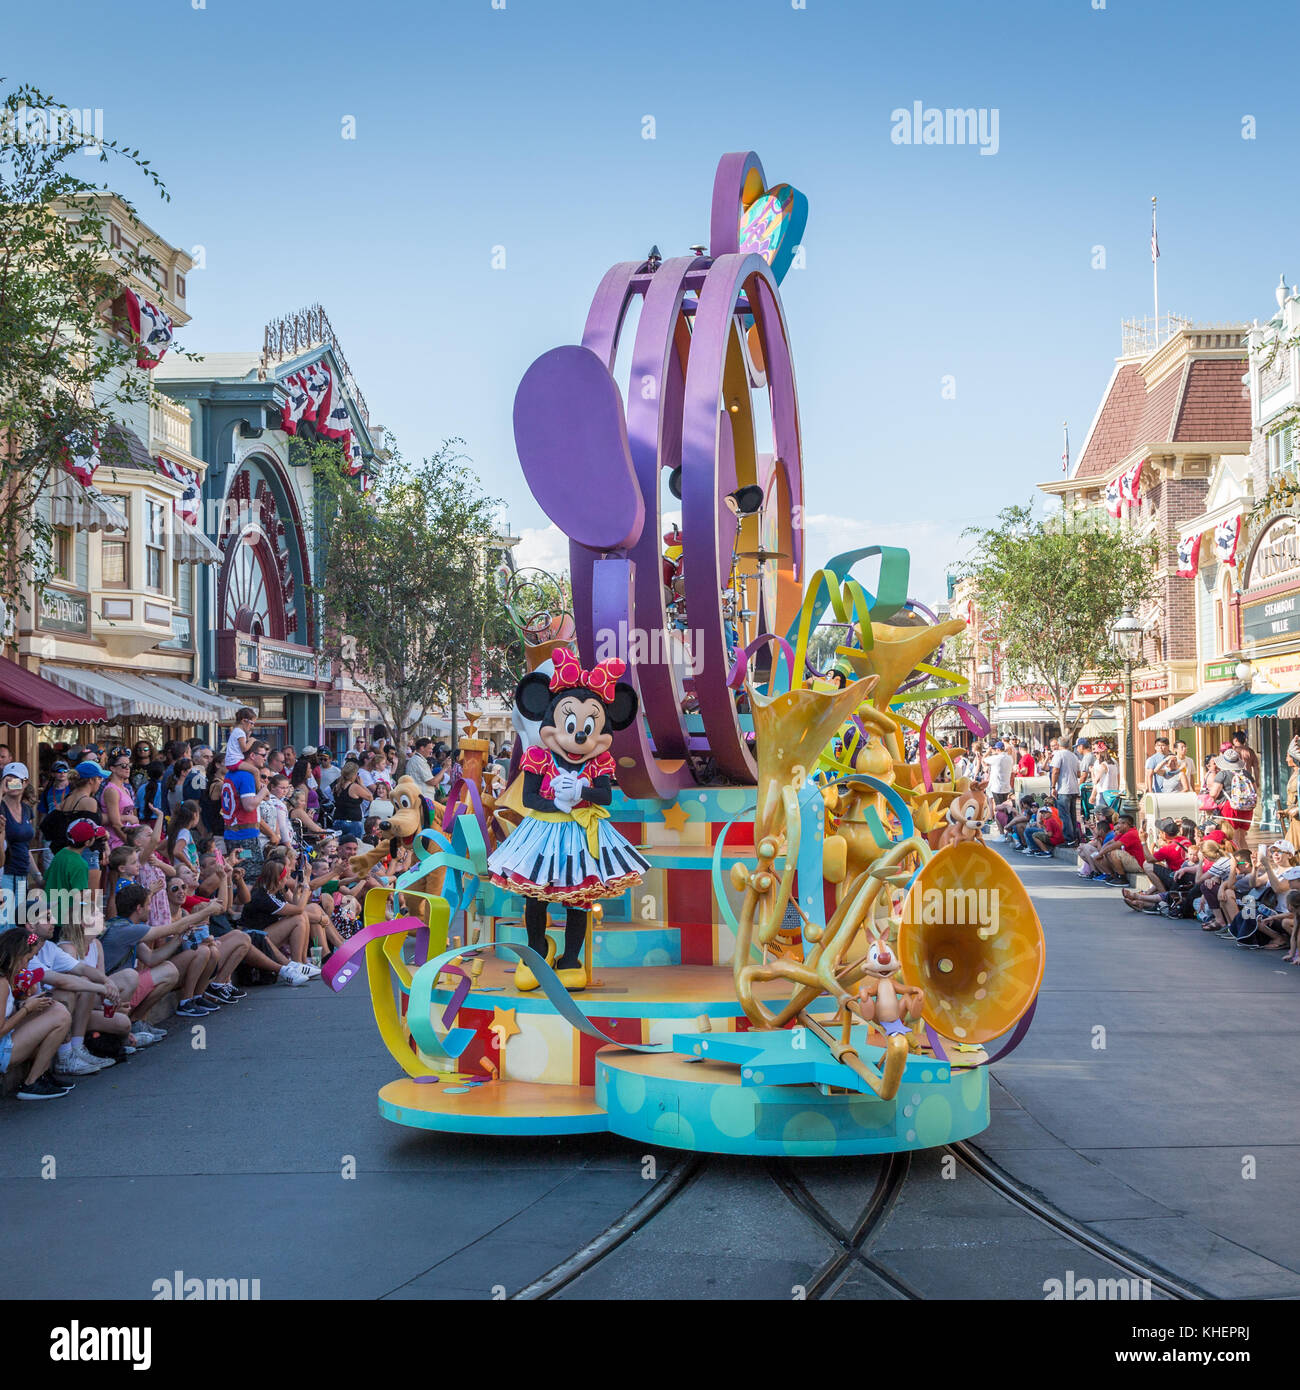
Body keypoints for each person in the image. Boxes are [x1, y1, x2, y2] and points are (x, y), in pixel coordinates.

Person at [0, 927, 74, 1099]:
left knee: (53, 1007)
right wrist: (27, 1009)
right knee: (60, 1016)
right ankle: (32, 1083)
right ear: (16, 955)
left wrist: (24, 1005)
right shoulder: (2, 983)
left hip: (6, 1041)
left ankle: (42, 1074)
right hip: (3, 1050)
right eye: (27, 959)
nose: (27, 965)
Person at [222, 740, 269, 880]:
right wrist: (263, 792)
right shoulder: (246, 775)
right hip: (245, 838)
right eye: (263, 754)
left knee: (237, 874)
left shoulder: (231, 773)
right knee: (249, 875)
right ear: (252, 756)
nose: (265, 758)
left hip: (232, 833)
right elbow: (249, 805)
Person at [0, 762, 37, 928]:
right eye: (9, 780)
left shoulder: (26, 809)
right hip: (5, 874)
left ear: (25, 782)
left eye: (17, 780)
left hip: (22, 874)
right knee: (5, 925)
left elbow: (26, 847)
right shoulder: (1, 807)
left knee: (19, 925)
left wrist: (37, 876)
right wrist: (2, 790)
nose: (13, 784)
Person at [100, 749, 140, 849]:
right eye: (123, 766)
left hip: (130, 836)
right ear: (112, 768)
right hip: (118, 842)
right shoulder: (111, 790)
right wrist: (130, 845)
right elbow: (116, 824)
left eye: (129, 765)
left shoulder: (125, 789)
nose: (128, 769)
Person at [1093, 813, 1145, 885]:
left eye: (1119, 823)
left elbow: (1114, 846)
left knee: (1114, 852)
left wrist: (1100, 854)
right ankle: (1114, 875)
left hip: (1139, 864)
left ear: (1126, 824)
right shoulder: (1122, 833)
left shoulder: (1131, 833)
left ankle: (1122, 878)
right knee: (1108, 852)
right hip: (1132, 860)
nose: (1117, 826)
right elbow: (1109, 843)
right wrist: (1100, 853)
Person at [1049, 739, 1082, 847]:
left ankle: (1069, 839)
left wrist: (1053, 786)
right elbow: (1078, 773)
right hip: (1074, 788)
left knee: (1065, 815)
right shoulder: (1074, 756)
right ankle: (1074, 838)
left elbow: (1055, 771)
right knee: (1072, 815)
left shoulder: (1059, 755)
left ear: (1059, 745)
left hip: (1064, 788)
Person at [332, 760, 372, 841]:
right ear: (354, 774)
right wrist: (362, 784)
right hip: (353, 823)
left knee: (340, 847)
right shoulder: (354, 787)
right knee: (354, 847)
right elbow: (370, 797)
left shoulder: (337, 786)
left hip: (338, 820)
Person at [984, 740, 1014, 821]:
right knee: (1004, 806)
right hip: (1006, 787)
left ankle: (1000, 824)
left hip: (997, 787)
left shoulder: (996, 758)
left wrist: (988, 752)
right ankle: (1005, 822)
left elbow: (984, 759)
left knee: (999, 807)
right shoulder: (1009, 758)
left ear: (997, 749)